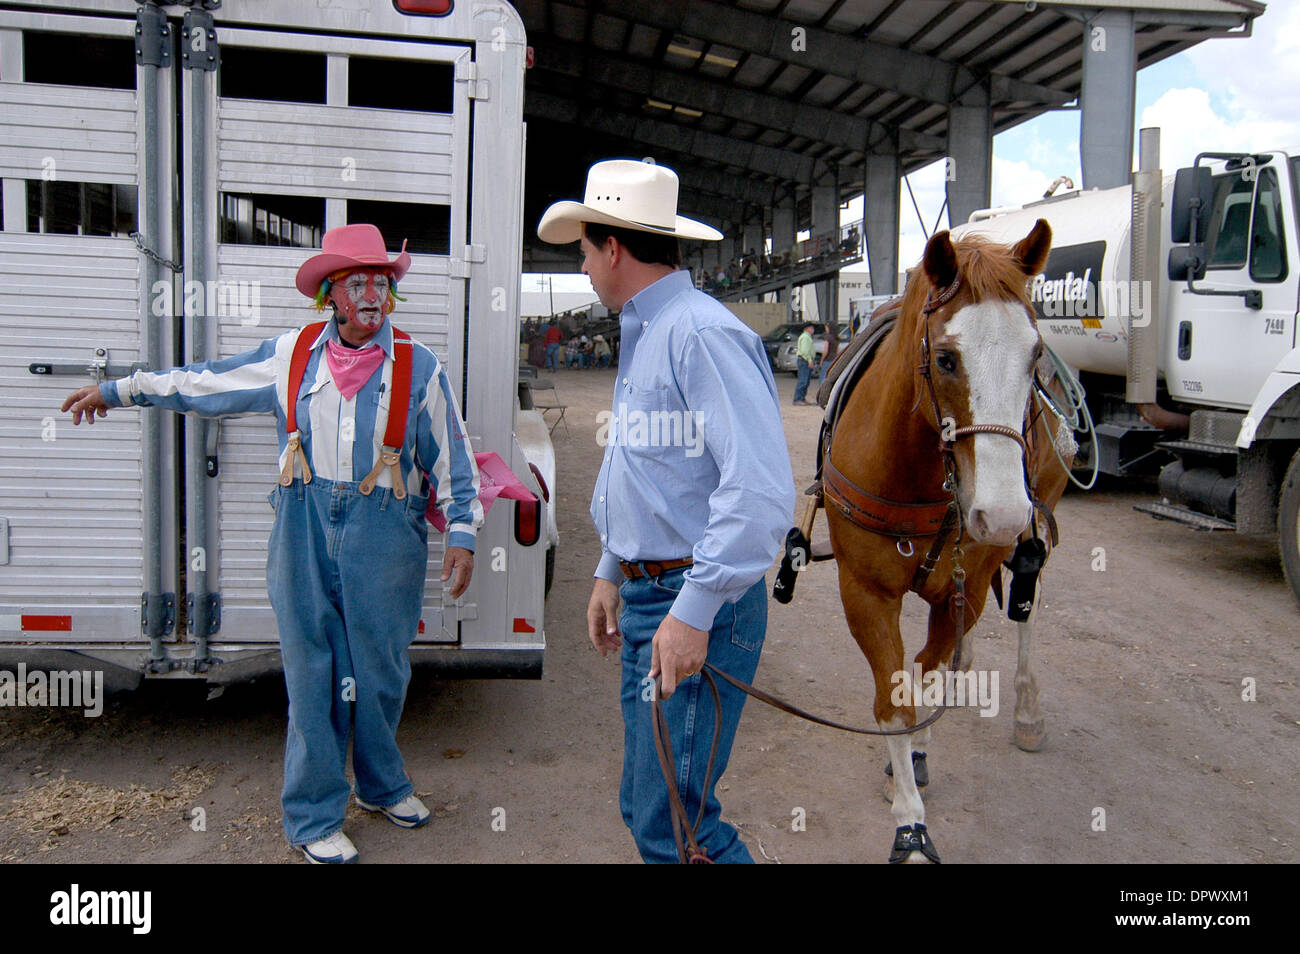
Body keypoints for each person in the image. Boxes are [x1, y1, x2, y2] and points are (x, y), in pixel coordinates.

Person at [60, 223, 483, 864]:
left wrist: (462, 533)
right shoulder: (293, 353)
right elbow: (206, 383)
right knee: (313, 671)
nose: (372, 294)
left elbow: (453, 457)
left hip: (385, 533)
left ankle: (381, 785)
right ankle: (313, 818)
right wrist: (123, 389)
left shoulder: (422, 367)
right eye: (357, 283)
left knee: (383, 669)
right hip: (303, 523)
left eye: (381, 283)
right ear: (332, 296)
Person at [538, 158, 795, 864]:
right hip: (657, 591)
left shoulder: (698, 334)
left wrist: (694, 610)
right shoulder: (650, 330)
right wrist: (610, 569)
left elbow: (760, 493)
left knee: (676, 823)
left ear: (613, 248)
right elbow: (651, 476)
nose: (585, 267)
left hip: (690, 596)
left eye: (586, 251)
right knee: (649, 807)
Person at [793, 323, 816, 405]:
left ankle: (802, 398)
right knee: (803, 380)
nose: (813, 329)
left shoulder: (807, 337)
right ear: (807, 328)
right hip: (804, 360)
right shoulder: (805, 337)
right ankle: (798, 399)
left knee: (806, 381)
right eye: (812, 328)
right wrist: (809, 360)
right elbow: (805, 351)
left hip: (805, 360)